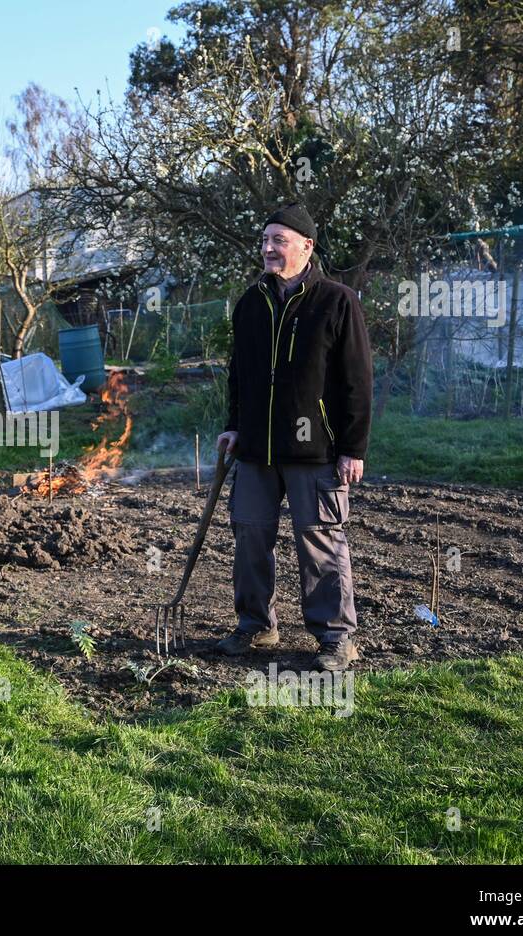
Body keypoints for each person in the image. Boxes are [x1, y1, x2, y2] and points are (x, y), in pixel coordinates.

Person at [215, 204, 372, 671]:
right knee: (249, 538)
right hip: (256, 450)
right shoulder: (250, 304)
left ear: (307, 246)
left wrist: (352, 448)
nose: (267, 248)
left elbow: (357, 381)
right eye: (265, 240)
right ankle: (256, 624)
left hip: (315, 451)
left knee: (320, 541)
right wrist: (233, 424)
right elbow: (237, 375)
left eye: (278, 240)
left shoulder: (337, 301)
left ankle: (335, 637)